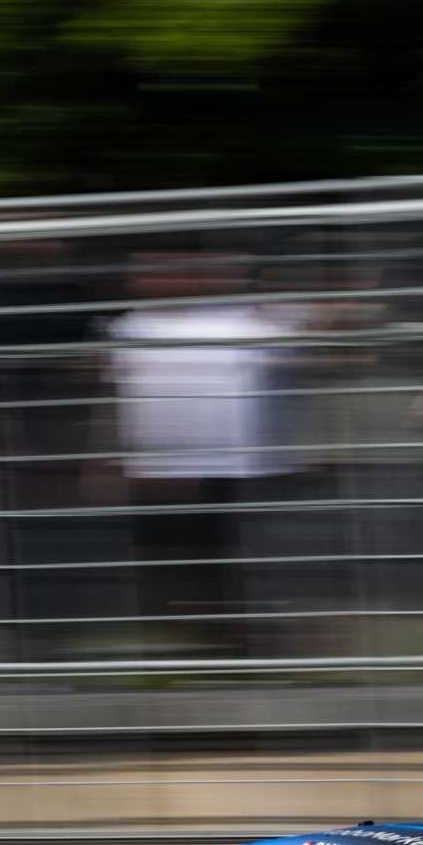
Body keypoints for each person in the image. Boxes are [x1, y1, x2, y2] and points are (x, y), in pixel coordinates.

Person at [102, 251, 291, 652]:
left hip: (232, 465)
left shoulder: (245, 319)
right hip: (160, 467)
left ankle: (237, 639)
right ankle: (190, 639)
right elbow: (119, 391)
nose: (152, 282)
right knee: (175, 557)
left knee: (231, 554)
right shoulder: (133, 325)